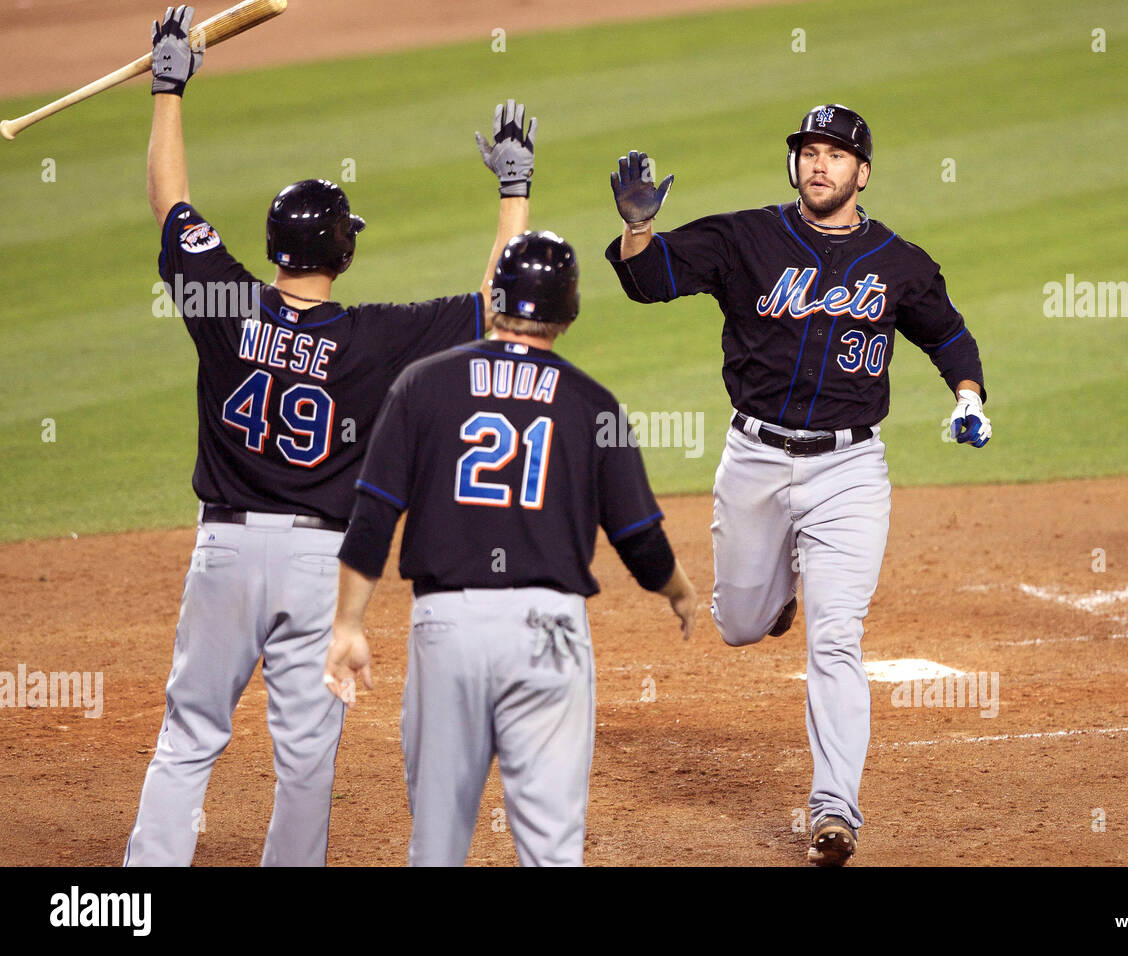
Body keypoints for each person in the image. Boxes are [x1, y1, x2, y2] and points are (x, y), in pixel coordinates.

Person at [124, 5, 539, 866]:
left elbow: (171, 202)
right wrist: (512, 192)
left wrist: (168, 87)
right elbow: (503, 309)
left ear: (272, 246)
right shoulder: (374, 339)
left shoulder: (225, 304)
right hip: (322, 568)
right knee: (308, 759)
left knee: (189, 731)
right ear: (342, 256)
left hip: (224, 555)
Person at [604, 104, 992, 866]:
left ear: (862, 173)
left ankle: (833, 809)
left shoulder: (899, 262)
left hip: (850, 471)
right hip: (752, 461)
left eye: (836, 155)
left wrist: (969, 395)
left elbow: (946, 332)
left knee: (837, 639)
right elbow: (648, 282)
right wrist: (638, 227)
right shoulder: (744, 238)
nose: (820, 165)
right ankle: (775, 597)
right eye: (809, 152)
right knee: (740, 625)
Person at [321, 230, 697, 867]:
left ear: (494, 300)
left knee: (436, 844)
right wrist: (680, 591)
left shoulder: (423, 384)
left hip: (449, 629)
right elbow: (639, 540)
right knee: (551, 848)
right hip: (548, 632)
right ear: (569, 311)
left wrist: (348, 624)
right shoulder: (591, 403)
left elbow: (374, 515)